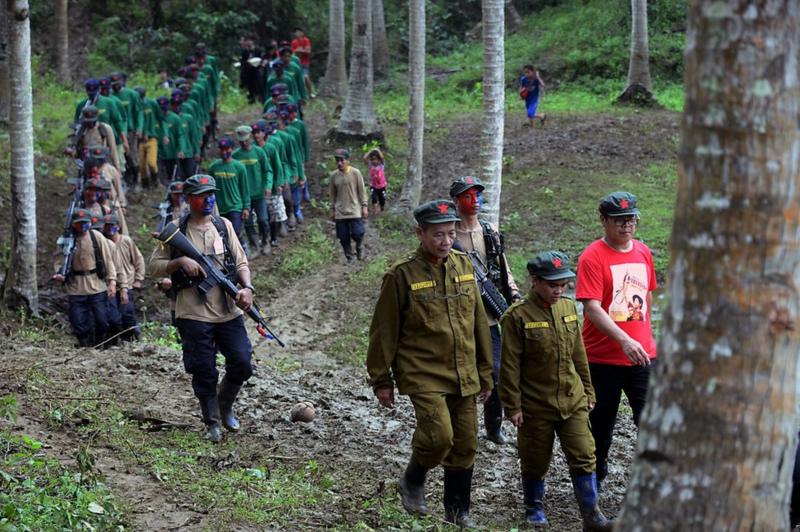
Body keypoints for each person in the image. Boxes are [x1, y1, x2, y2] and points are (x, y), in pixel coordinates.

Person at [366, 200, 493, 527]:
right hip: (423, 372)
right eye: (438, 235)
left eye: (451, 233)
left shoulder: (464, 265)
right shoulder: (401, 275)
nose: (446, 241)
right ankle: (413, 478)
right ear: (420, 233)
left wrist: (486, 371)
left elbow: (479, 321)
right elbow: (384, 330)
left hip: (464, 371)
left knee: (465, 443)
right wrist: (381, 379)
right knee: (438, 436)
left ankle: (457, 512)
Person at [499, 251, 613, 530]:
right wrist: (513, 406)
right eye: (553, 285)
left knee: (585, 453)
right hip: (536, 404)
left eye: (563, 285)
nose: (559, 290)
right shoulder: (517, 317)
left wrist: (588, 390)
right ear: (534, 281)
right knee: (535, 457)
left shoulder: (567, 308)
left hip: (572, 398)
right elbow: (510, 366)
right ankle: (533, 507)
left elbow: (578, 354)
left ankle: (592, 514)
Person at [148, 174, 255, 443]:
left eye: (212, 194)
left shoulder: (223, 225)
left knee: (242, 362)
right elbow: (153, 267)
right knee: (203, 368)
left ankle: (224, 404)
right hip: (193, 312)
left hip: (228, 310)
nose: (209, 200)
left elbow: (241, 262)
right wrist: (179, 261)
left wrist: (247, 289)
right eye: (202, 195)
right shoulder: (174, 230)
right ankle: (212, 421)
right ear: (189, 199)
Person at [575, 191, 657, 491]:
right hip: (601, 359)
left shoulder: (643, 252)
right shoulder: (592, 257)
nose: (626, 226)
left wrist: (646, 339)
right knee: (600, 426)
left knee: (651, 420)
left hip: (643, 357)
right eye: (619, 220)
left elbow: (647, 296)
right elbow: (592, 307)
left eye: (631, 219)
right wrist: (623, 340)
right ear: (604, 221)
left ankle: (651, 482)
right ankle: (594, 483)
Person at [449, 176, 521, 446]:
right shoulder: (448, 234)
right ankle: (459, 424)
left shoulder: (489, 232)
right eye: (468, 196)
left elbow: (503, 268)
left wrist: (512, 291)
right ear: (456, 201)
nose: (474, 201)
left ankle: (493, 427)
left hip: (490, 316)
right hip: (458, 317)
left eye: (477, 196)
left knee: (497, 372)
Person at [52, 209, 118, 348]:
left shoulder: (96, 236)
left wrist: (112, 281)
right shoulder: (66, 238)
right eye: (79, 223)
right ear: (74, 224)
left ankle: (100, 344)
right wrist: (59, 273)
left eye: (85, 223)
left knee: (102, 319)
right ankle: (85, 345)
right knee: (78, 321)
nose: (83, 226)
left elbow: (108, 260)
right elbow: (59, 259)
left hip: (97, 285)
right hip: (76, 287)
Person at [233, 125, 272, 256]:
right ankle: (254, 245)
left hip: (259, 193)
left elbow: (267, 171)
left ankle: (266, 241)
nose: (244, 142)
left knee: (263, 219)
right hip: (244, 196)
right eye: (241, 140)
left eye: (246, 139)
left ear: (250, 137)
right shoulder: (236, 155)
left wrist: (268, 186)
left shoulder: (259, 152)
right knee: (248, 223)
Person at [207, 137, 250, 245]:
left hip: (235, 206)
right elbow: (209, 189)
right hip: (219, 207)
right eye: (222, 149)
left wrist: (246, 207)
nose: (224, 152)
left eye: (227, 149)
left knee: (235, 231)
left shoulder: (239, 167)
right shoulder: (213, 167)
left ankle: (243, 248)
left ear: (231, 149)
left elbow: (244, 188)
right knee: (221, 234)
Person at [329, 148, 368, 263]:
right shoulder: (334, 176)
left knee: (358, 232)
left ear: (347, 160)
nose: (339, 163)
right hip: (340, 211)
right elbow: (332, 194)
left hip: (354, 209)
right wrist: (332, 209)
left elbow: (362, 191)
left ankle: (359, 246)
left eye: (342, 160)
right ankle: (349, 256)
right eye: (337, 160)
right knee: (343, 236)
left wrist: (364, 206)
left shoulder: (355, 173)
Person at [66, 105, 120, 171]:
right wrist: (71, 152)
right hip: (86, 162)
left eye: (92, 121)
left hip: (102, 161)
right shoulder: (81, 131)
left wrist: (117, 167)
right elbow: (76, 150)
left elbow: (113, 149)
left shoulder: (105, 128)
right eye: (88, 121)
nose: (90, 123)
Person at [135, 86, 161, 188]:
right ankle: (145, 185)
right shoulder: (136, 106)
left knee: (151, 163)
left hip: (151, 138)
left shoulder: (152, 104)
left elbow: (160, 118)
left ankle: (155, 180)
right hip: (140, 140)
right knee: (141, 166)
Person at [291, 27, 315, 98]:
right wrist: (300, 50)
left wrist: (299, 50)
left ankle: (310, 93)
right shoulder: (294, 42)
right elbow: (292, 53)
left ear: (302, 33)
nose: (297, 33)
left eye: (299, 32)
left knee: (306, 77)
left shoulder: (306, 40)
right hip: (296, 63)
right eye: (296, 32)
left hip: (305, 63)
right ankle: (300, 95)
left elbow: (308, 51)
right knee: (298, 79)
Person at [364, 148, 387, 215]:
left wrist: (377, 150)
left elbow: (382, 157)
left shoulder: (381, 165)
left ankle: (382, 208)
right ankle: (375, 211)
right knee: (374, 199)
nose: (374, 161)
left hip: (382, 186)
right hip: (373, 186)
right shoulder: (370, 166)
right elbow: (365, 158)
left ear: (379, 160)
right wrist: (370, 151)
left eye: (375, 159)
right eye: (372, 159)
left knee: (382, 199)